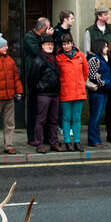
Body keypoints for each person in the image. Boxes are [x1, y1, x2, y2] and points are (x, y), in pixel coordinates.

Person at [55, 34, 87, 152]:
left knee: (77, 118)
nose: (66, 46)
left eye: (68, 43)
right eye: (64, 44)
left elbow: (85, 72)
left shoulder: (80, 56)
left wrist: (79, 83)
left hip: (78, 92)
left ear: (72, 43)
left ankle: (77, 142)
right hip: (65, 92)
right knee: (66, 118)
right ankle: (68, 142)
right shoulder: (58, 58)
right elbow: (57, 75)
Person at [30, 33, 61, 153]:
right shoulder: (38, 59)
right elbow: (32, 79)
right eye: (47, 44)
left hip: (54, 93)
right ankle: (39, 144)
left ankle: (54, 143)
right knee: (41, 120)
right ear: (42, 46)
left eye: (51, 44)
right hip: (43, 94)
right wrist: (38, 89)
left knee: (54, 120)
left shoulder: (54, 58)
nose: (50, 46)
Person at [23, 17, 50, 146]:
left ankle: (43, 136)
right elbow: (38, 52)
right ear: (41, 28)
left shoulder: (40, 37)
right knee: (33, 108)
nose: (48, 30)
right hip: (33, 77)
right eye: (47, 28)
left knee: (43, 109)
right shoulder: (29, 37)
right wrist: (45, 39)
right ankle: (31, 137)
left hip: (43, 76)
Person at [87, 39, 111, 148]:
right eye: (105, 46)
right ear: (100, 47)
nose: (107, 48)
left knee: (98, 116)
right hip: (97, 93)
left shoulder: (101, 58)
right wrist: (103, 83)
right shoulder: (94, 59)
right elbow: (92, 76)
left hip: (103, 91)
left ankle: (97, 139)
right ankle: (93, 140)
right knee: (95, 116)